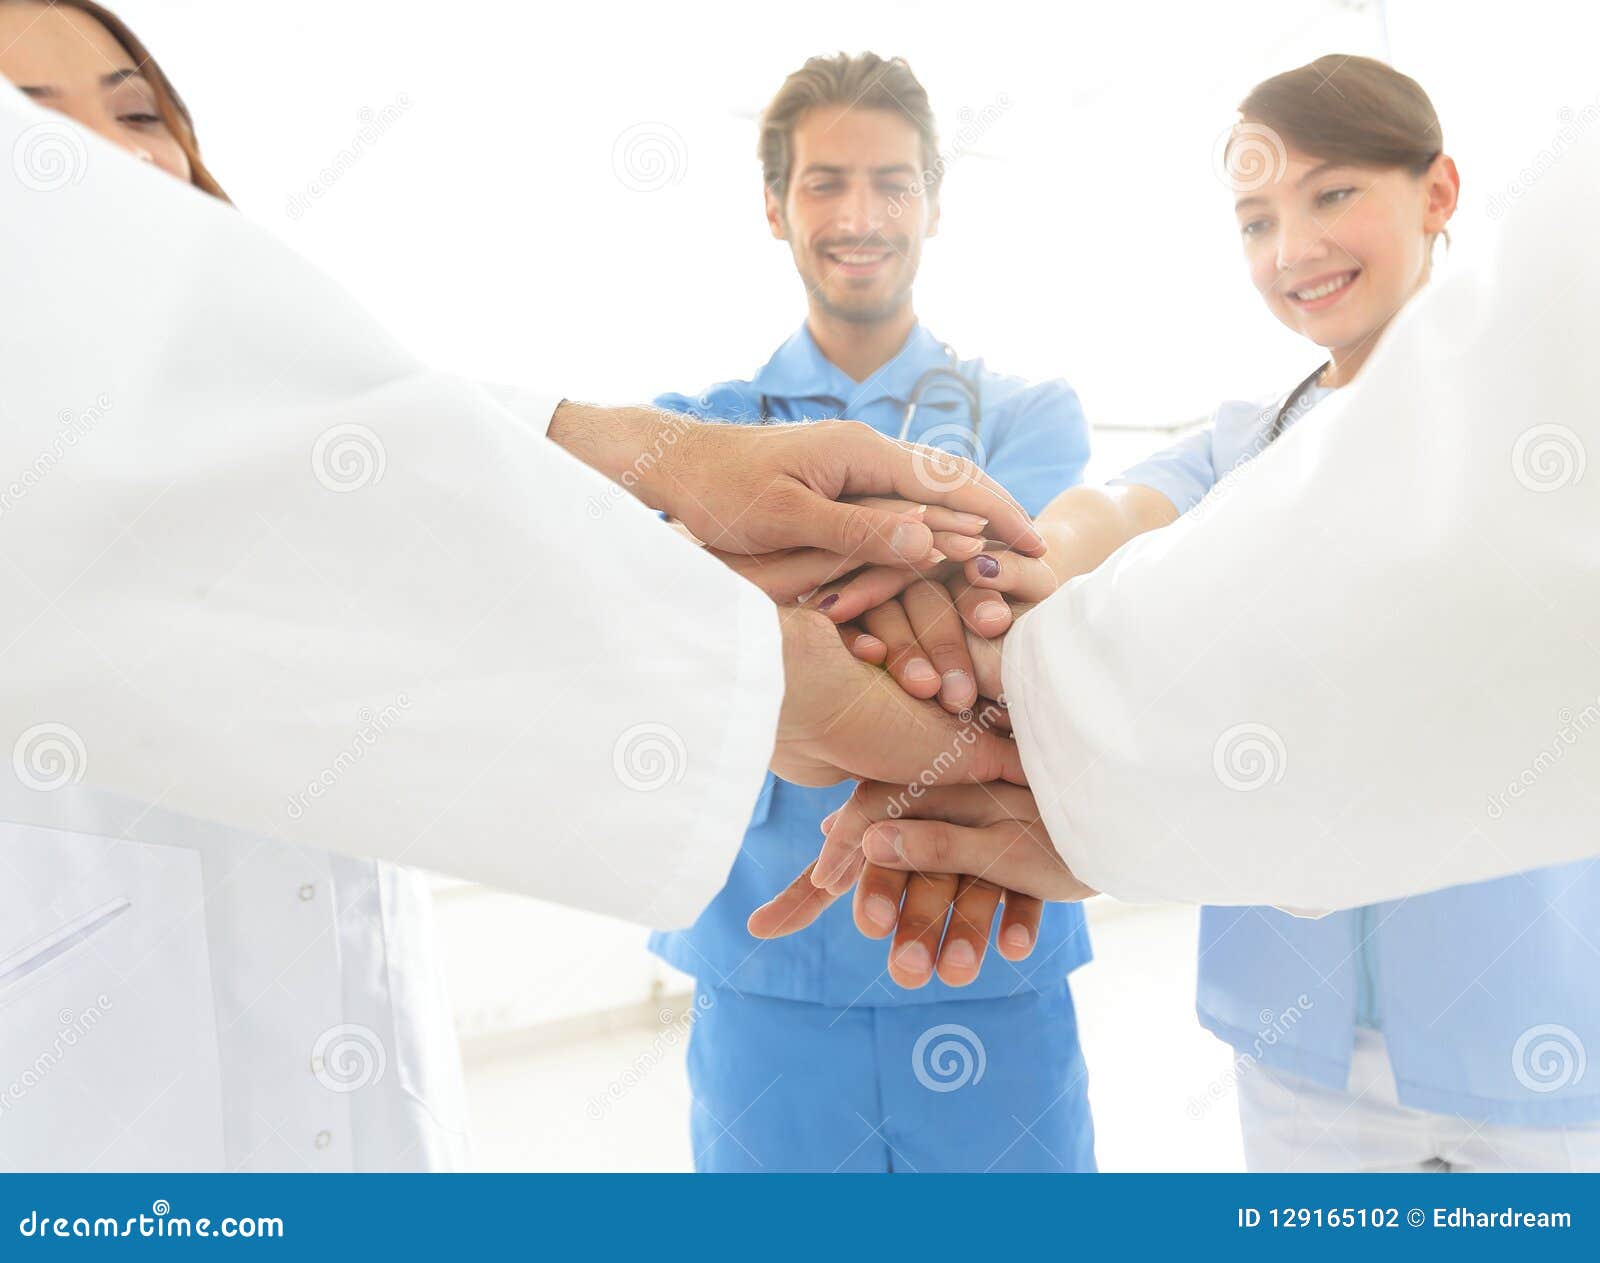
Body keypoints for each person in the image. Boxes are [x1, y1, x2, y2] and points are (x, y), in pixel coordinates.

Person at [0, 4, 1035, 1172]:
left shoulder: (303, 416)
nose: (125, 157)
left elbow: (382, 475)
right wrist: (790, 679)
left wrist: (685, 492)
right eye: (36, 134)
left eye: (141, 113)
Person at [762, 55, 1600, 1169]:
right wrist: (993, 575)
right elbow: (1102, 516)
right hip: (1290, 1048)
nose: (1292, 249)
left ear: (1439, 192)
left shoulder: (1536, 432)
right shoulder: (1241, 437)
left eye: (1334, 194)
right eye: (1257, 219)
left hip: (1527, 1038)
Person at [647, 53, 1096, 1173]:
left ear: (934, 203)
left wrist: (789, 582)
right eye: (824, 182)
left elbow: (1013, 615)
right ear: (773, 205)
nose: (859, 215)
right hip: (764, 973)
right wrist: (925, 558)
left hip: (989, 946)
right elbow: (672, 635)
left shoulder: (1034, 417)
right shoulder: (689, 428)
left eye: (892, 183)